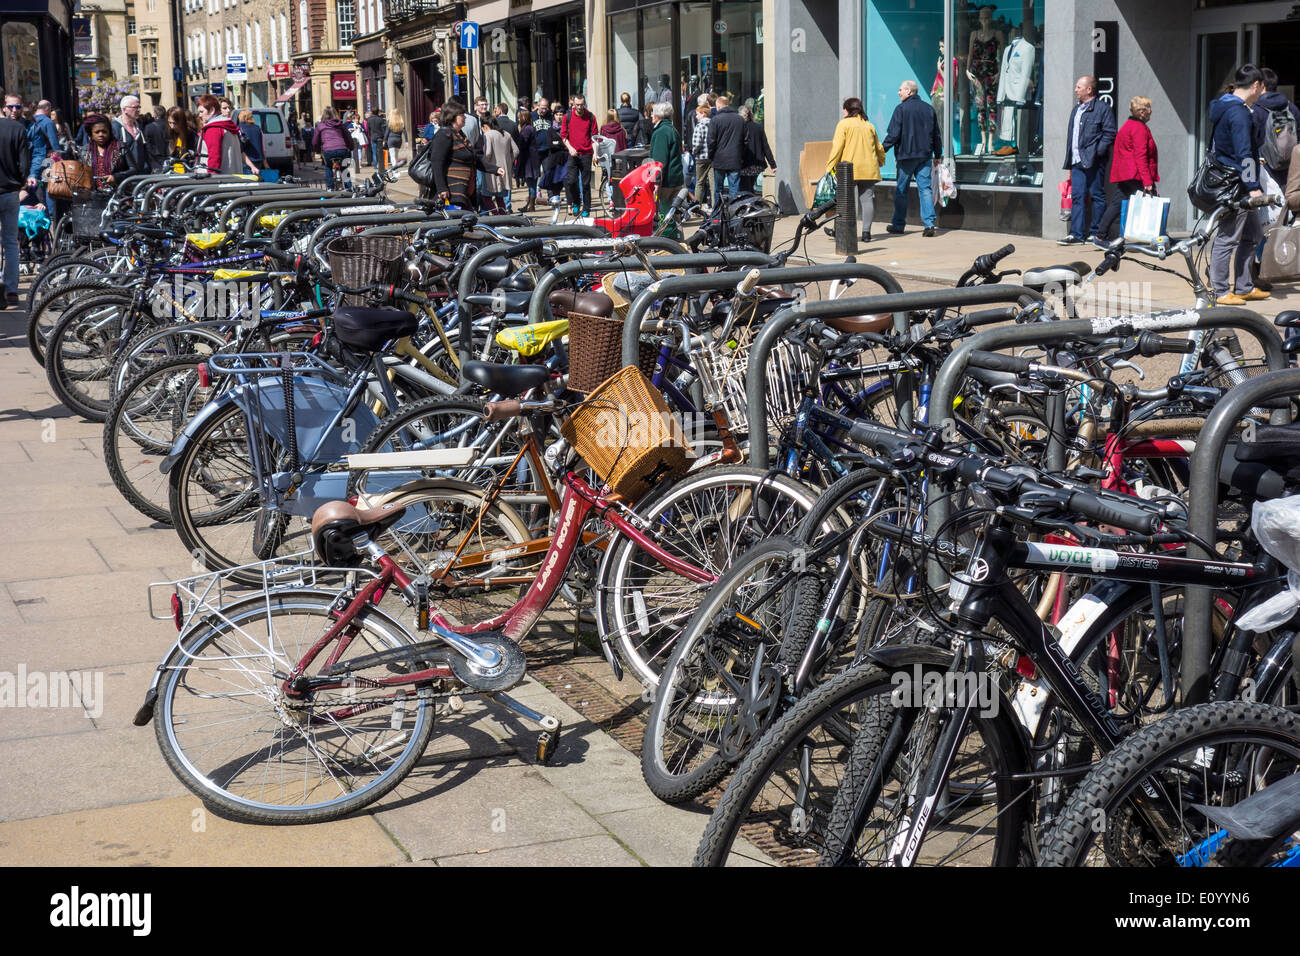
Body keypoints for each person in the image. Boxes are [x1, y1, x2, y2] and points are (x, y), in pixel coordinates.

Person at [1209, 64, 1269, 305]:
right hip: (1237, 183)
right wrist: (1252, 184)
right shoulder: (1238, 112)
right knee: (1228, 237)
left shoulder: (1227, 105)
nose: (1262, 93)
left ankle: (1244, 286)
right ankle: (1220, 290)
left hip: (1234, 179)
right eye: (1261, 88)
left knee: (1252, 234)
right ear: (1255, 85)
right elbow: (1243, 151)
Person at [1059, 74, 1117, 244]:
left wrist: (1097, 152)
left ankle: (1095, 233)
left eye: (1079, 87)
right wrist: (1070, 163)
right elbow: (1071, 138)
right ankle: (1077, 234)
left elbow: (1110, 133)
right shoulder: (1076, 110)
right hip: (1077, 161)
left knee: (1096, 195)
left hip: (1093, 160)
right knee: (1077, 196)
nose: (1075, 90)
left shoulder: (1102, 108)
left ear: (1089, 89)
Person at [880, 80, 943, 237]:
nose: (898, 92)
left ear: (909, 91)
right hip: (924, 156)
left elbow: (893, 135)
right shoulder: (929, 109)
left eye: (901, 90)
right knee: (925, 189)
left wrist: (880, 151)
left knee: (902, 190)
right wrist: (937, 154)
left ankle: (899, 225)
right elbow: (936, 134)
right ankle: (929, 225)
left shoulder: (901, 109)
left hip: (905, 156)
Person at [824, 96, 887, 242]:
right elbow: (879, 147)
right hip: (869, 169)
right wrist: (881, 161)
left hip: (848, 169)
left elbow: (837, 148)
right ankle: (866, 233)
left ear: (848, 110)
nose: (842, 111)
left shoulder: (843, 124)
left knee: (844, 200)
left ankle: (839, 230)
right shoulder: (869, 125)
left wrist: (829, 167)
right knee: (867, 200)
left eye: (844, 108)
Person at [1097, 96, 1159, 242]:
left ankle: (1100, 236)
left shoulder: (1128, 125)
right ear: (1142, 112)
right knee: (1153, 203)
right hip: (1135, 174)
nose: (1151, 111)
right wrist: (1147, 181)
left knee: (1117, 202)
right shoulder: (1138, 128)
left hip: (1127, 174)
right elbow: (1140, 156)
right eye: (1149, 108)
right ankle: (1157, 236)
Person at [430, 101, 503, 210]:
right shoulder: (444, 134)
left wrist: (495, 169)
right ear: (453, 116)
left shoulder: (459, 135)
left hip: (464, 191)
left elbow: (474, 159)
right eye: (462, 115)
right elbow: (437, 162)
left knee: (467, 222)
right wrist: (441, 188)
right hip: (452, 193)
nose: (465, 117)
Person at [0, 94, 31, 305]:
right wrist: (19, 182)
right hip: (10, 191)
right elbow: (24, 163)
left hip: (9, 189)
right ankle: (11, 289)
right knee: (11, 242)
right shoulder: (17, 128)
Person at [1251, 67, 1300, 187]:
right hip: (1288, 172)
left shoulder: (1255, 110)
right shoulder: (1291, 107)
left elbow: (1250, 144)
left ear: (1261, 85)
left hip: (1264, 173)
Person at [648, 102, 684, 237]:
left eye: (653, 112)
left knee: (663, 215)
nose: (651, 115)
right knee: (675, 216)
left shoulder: (661, 132)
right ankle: (680, 243)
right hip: (676, 179)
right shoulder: (673, 129)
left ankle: (663, 245)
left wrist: (656, 182)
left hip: (666, 182)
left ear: (658, 115)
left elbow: (659, 161)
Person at [561, 93, 598, 216]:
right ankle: (576, 202)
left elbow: (594, 138)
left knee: (586, 183)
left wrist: (595, 154)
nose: (580, 107)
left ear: (584, 104)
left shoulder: (591, 117)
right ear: (573, 104)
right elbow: (563, 136)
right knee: (571, 181)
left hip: (587, 153)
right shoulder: (568, 117)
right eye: (577, 105)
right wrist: (570, 148)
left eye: (582, 105)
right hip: (573, 154)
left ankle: (586, 208)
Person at [707, 94, 746, 205]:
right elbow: (746, 140)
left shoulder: (715, 120)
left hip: (719, 159)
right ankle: (733, 213)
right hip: (735, 159)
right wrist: (740, 155)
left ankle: (717, 214)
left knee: (718, 190)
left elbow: (711, 141)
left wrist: (711, 156)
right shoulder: (740, 119)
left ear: (718, 107)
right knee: (734, 189)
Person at [195, 94, 243, 175]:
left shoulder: (213, 129)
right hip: (232, 177)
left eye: (202, 111)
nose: (200, 115)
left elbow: (214, 158)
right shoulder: (226, 125)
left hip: (218, 180)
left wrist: (211, 179)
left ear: (212, 110)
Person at [480, 115, 519, 212]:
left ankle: (496, 216)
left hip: (491, 170)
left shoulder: (488, 135)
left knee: (486, 196)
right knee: (500, 197)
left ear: (485, 126)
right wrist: (509, 161)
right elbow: (516, 150)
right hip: (504, 169)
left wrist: (483, 163)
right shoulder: (506, 134)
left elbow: (488, 153)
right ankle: (502, 216)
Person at [311, 106, 352, 189]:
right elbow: (348, 138)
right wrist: (350, 147)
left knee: (328, 166)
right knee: (344, 167)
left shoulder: (320, 126)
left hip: (328, 150)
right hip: (341, 149)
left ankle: (330, 188)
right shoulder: (340, 124)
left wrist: (317, 150)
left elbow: (315, 141)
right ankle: (349, 188)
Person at [738, 106, 775, 195]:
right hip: (757, 164)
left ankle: (749, 204)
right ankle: (752, 203)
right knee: (750, 186)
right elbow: (765, 146)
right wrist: (772, 164)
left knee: (744, 188)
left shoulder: (740, 128)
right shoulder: (758, 127)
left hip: (744, 163)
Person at [25, 99, 59, 194]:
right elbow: (54, 143)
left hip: (32, 160)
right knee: (48, 186)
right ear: (47, 108)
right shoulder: (48, 122)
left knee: (37, 185)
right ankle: (49, 208)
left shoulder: (29, 121)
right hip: (48, 160)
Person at [112, 95, 151, 179]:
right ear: (124, 109)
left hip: (142, 175)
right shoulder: (115, 128)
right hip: (125, 177)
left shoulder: (139, 127)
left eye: (139, 107)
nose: (138, 110)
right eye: (135, 107)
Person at [82, 115, 126, 189]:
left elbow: (134, 169)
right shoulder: (85, 151)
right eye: (97, 132)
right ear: (91, 134)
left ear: (109, 132)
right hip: (93, 194)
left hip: (117, 193)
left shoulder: (120, 147)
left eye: (104, 131)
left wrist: (115, 177)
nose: (101, 135)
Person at [516, 107, 540, 212]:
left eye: (519, 118)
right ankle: (530, 204)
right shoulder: (531, 128)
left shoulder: (526, 129)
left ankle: (531, 205)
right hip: (533, 158)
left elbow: (523, 144)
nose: (518, 120)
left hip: (529, 160)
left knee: (531, 183)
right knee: (532, 183)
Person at [690, 103, 712, 208]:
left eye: (698, 114)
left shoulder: (700, 126)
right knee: (713, 184)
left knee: (699, 183)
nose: (696, 116)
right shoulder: (713, 124)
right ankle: (714, 207)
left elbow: (697, 144)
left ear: (703, 114)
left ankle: (696, 207)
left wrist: (694, 152)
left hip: (701, 158)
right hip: (712, 157)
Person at [166, 107, 197, 171]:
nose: (172, 126)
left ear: (181, 122)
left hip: (187, 175)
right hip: (173, 174)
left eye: (174, 123)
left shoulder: (192, 136)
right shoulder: (172, 135)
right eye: (170, 123)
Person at [237, 108, 266, 174]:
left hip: (245, 160)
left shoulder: (238, 129)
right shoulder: (258, 128)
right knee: (257, 180)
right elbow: (263, 147)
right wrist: (265, 162)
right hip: (258, 160)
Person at [143, 105, 169, 171]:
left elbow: (147, 144)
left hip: (155, 159)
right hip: (169, 156)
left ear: (155, 115)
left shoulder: (149, 127)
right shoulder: (170, 125)